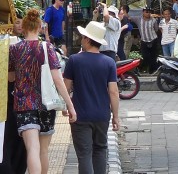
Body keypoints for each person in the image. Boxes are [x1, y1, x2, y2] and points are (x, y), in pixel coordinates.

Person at [9, 9, 76, 174]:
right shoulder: (47, 47)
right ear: (40, 27)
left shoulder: (15, 49)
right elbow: (57, 79)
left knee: (32, 148)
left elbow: (11, 78)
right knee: (43, 150)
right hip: (47, 104)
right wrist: (70, 105)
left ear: (23, 27)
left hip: (24, 104)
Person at [63, 20, 119, 174]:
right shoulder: (109, 62)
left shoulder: (74, 60)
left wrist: (65, 107)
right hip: (102, 115)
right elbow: (113, 92)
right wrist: (116, 116)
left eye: (82, 37)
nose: (81, 39)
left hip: (80, 115)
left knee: (84, 155)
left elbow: (66, 88)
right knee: (100, 150)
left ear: (87, 40)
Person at [1, 18, 28, 174]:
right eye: (15, 22)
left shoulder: (19, 45)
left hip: (13, 102)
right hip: (18, 103)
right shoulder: (24, 47)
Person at [137, 8, 160, 73]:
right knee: (145, 56)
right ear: (143, 12)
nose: (148, 13)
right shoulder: (139, 19)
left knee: (153, 55)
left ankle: (152, 70)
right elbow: (130, 18)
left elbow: (156, 29)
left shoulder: (154, 20)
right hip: (144, 40)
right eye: (146, 12)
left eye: (149, 12)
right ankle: (142, 68)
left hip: (153, 40)